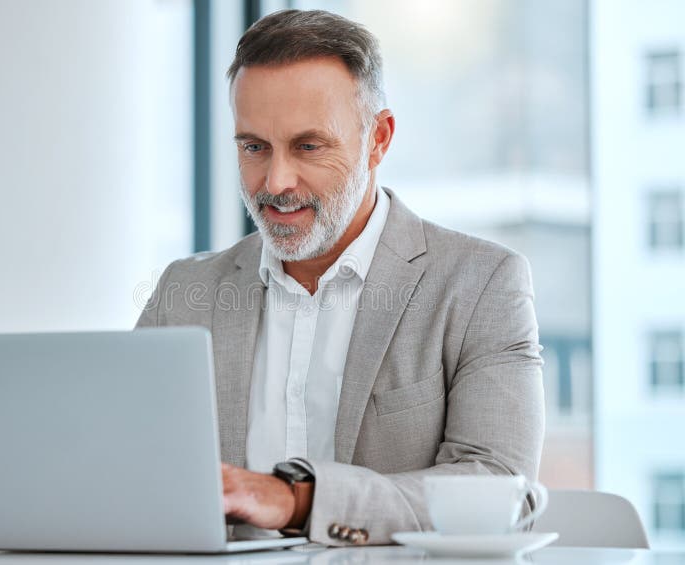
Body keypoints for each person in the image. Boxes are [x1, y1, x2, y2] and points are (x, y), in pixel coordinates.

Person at [136, 9, 544, 546]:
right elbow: (122, 463)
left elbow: (499, 487)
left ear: (378, 138)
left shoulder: (482, 284)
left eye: (308, 146)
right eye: (254, 147)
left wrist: (295, 499)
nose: (277, 182)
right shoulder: (183, 293)